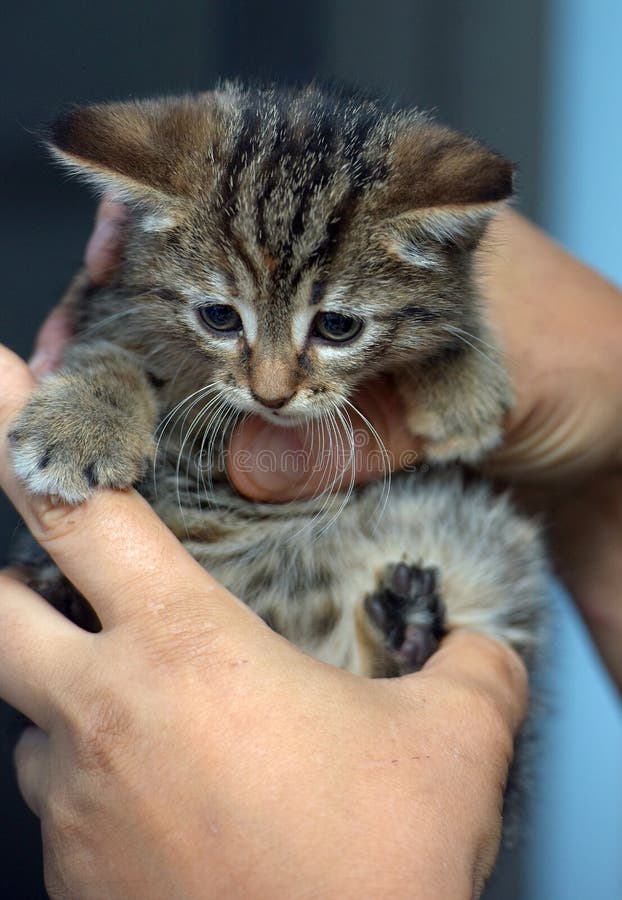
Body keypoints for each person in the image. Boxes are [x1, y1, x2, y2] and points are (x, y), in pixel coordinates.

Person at [0, 204, 620, 898]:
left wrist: (457, 336)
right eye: (222, 315)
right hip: (303, 623)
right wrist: (108, 386)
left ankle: (386, 659)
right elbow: (118, 335)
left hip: (360, 639)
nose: (271, 388)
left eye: (337, 324)